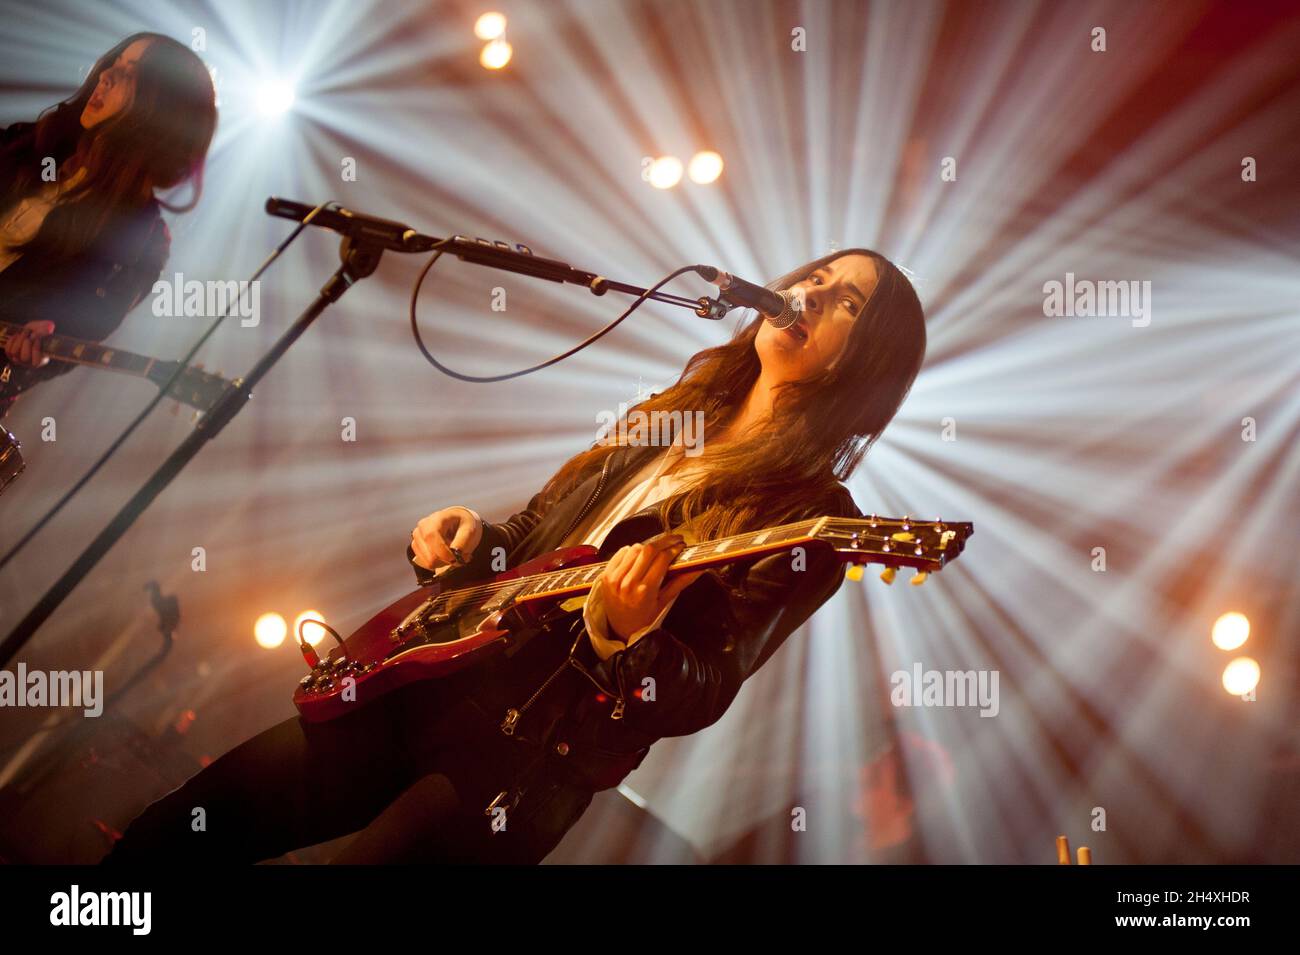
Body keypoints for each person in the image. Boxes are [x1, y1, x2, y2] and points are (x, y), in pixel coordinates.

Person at [103, 248, 926, 864]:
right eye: (815, 273)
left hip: (525, 757)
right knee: (172, 836)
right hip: (430, 674)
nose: (811, 289)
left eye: (845, 298)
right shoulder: (672, 412)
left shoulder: (813, 519)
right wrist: (471, 538)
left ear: (871, 360)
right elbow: (538, 535)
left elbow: (704, 686)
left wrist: (627, 635)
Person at [0, 33, 216, 418]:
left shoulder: (139, 244)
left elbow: (71, 341)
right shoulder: (23, 145)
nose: (106, 77)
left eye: (129, 75)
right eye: (112, 65)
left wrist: (28, 360)